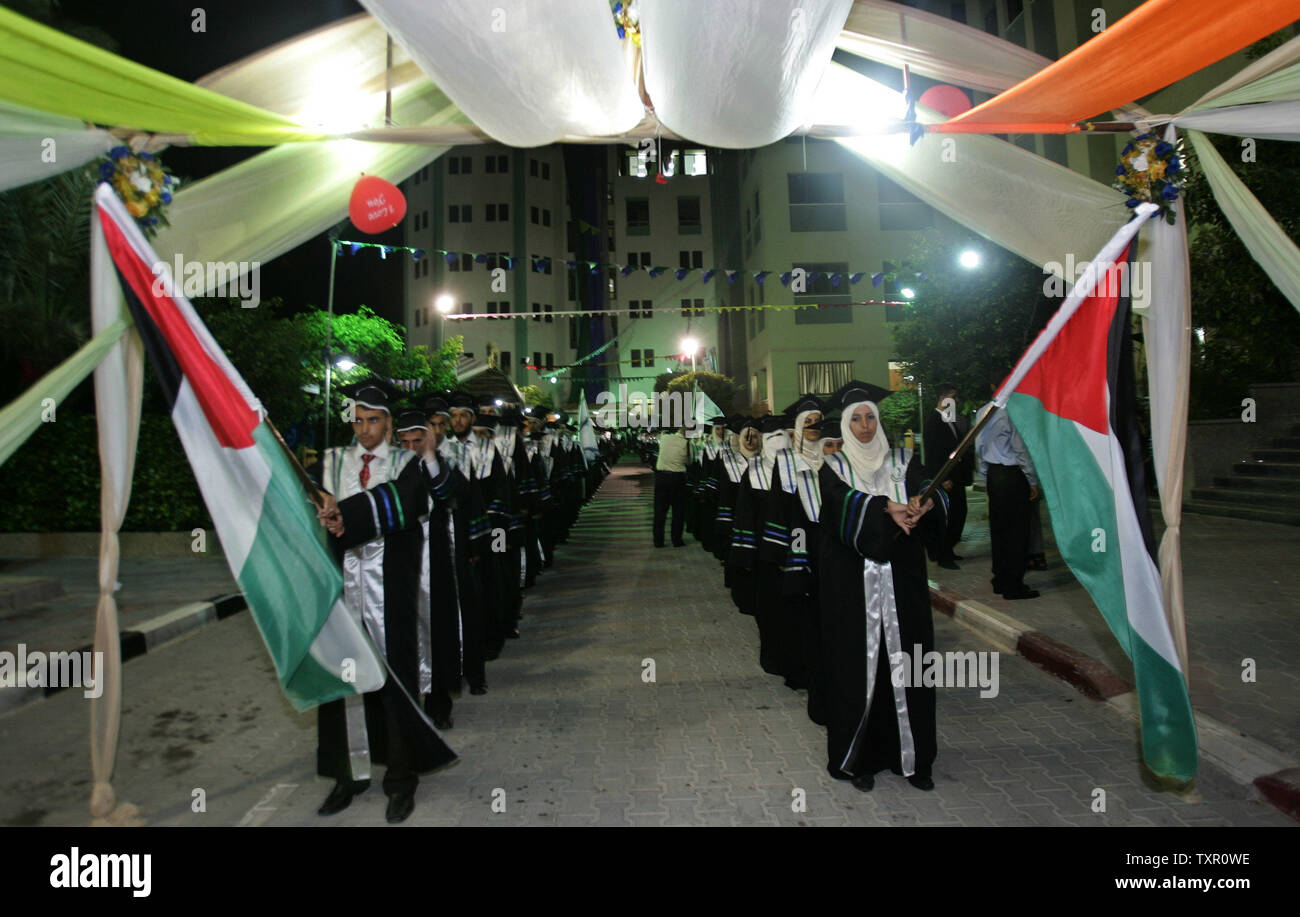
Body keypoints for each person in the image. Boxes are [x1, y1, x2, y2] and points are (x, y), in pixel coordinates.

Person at [313, 379, 457, 823]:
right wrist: (320, 510)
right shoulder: (333, 461)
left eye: (374, 420)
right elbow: (315, 514)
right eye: (358, 420)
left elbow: (407, 501)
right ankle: (349, 775)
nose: (365, 430)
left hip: (388, 588)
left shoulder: (403, 462)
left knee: (395, 681)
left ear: (389, 423)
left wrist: (345, 515)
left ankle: (400, 780)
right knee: (344, 680)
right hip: (341, 588)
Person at [817, 380, 946, 793]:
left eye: (870, 416)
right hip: (854, 589)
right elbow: (838, 510)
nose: (865, 426)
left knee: (910, 665)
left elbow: (934, 495)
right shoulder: (835, 467)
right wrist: (882, 509)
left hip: (904, 586)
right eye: (855, 419)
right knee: (861, 670)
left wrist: (924, 504)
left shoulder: (905, 461)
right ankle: (860, 759)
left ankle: (913, 758)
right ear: (844, 424)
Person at [975, 384, 1041, 600]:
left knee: (999, 530)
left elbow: (979, 448)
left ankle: (1000, 579)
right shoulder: (1011, 412)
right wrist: (1032, 479)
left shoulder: (983, 411)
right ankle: (1013, 584)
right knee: (1017, 532)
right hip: (1013, 475)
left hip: (994, 474)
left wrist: (986, 476)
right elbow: (1020, 449)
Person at [923, 384, 974, 570]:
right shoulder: (933, 422)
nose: (957, 401)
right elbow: (935, 453)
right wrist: (943, 478)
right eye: (953, 397)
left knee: (958, 515)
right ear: (943, 398)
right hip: (945, 480)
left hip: (957, 478)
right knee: (948, 518)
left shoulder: (950, 420)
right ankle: (943, 554)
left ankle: (949, 549)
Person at [653, 423, 689, 547]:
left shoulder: (664, 438)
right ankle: (676, 540)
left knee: (660, 511)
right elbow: (688, 461)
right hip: (677, 479)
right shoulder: (686, 443)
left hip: (661, 477)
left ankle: (658, 541)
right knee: (678, 511)